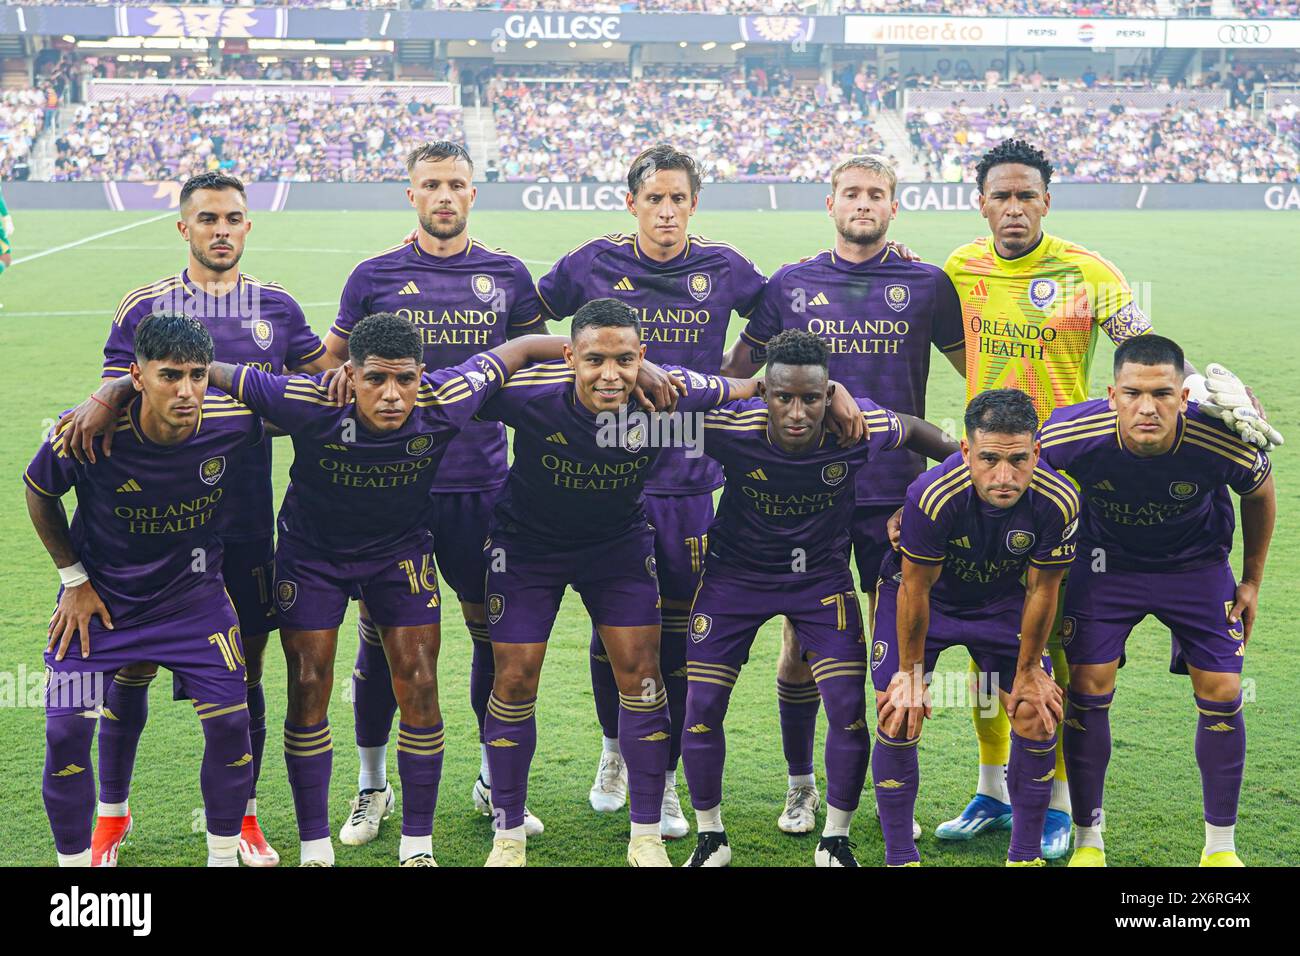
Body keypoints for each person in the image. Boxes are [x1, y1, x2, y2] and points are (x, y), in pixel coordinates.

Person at [936, 137, 1275, 858]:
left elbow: (1140, 345)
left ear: (1047, 201)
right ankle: (991, 788)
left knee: (1051, 645)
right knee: (992, 643)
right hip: (996, 472)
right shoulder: (961, 269)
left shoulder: (1089, 273)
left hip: (1067, 478)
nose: (1016, 207)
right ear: (982, 202)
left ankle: (1059, 806)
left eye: (1029, 195)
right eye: (1003, 195)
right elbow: (957, 349)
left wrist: (1207, 392)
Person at [472, 299, 863, 867]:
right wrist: (533, 348)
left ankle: (646, 834)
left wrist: (840, 389)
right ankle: (507, 836)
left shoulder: (671, 396)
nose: (610, 374)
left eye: (625, 359)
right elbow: (461, 384)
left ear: (644, 359)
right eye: (594, 360)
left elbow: (764, 387)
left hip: (618, 548)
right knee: (514, 677)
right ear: (569, 359)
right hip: (529, 550)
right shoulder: (529, 397)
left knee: (644, 676)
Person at [203, 313, 576, 866]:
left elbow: (519, 349)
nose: (392, 395)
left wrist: (605, 353)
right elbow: (203, 369)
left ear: (422, 376)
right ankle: (315, 846)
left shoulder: (446, 397)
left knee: (421, 682)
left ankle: (417, 846)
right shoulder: (307, 398)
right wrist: (114, 393)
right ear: (349, 376)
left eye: (404, 379)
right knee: (307, 684)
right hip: (314, 557)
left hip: (399, 554)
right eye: (375, 379)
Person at [57, 170, 336, 867]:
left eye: (233, 218)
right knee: (129, 671)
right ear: (183, 227)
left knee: (245, 674)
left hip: (240, 522)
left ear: (248, 227)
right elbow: (117, 390)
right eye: (207, 218)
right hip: (151, 528)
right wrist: (107, 390)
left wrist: (337, 373)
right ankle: (111, 816)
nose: (221, 229)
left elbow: (311, 385)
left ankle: (239, 818)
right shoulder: (144, 304)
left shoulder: (278, 306)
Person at [725, 154, 964, 834]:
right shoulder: (791, 282)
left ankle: (894, 794)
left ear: (895, 207)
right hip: (803, 496)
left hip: (894, 497)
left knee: (895, 646)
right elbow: (740, 378)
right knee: (803, 646)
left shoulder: (927, 283)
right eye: (852, 193)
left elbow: (982, 369)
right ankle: (802, 788)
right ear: (829, 203)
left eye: (877, 194)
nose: (864, 203)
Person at [534, 144, 765, 839]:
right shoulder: (590, 262)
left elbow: (777, 314)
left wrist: (720, 378)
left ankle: (661, 779)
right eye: (653, 199)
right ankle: (615, 755)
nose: (666, 211)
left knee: (678, 633)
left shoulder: (723, 266)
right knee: (615, 628)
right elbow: (525, 320)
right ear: (631, 202)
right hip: (607, 467)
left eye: (678, 199)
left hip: (688, 476)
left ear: (694, 204)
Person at [321, 141, 549, 845]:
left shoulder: (507, 274)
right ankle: (370, 786)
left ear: (473, 195)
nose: (444, 196)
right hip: (391, 491)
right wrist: (334, 378)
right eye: (431, 185)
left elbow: (538, 368)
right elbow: (335, 362)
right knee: (379, 638)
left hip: (481, 488)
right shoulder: (374, 275)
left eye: (456, 184)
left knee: (490, 633)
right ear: (411, 194)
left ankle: (489, 780)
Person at [680, 329, 959, 867]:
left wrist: (932, 499)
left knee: (848, 709)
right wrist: (742, 387)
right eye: (783, 396)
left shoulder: (857, 426)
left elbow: (927, 435)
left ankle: (835, 837)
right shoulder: (731, 425)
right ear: (766, 393)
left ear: (829, 394)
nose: (797, 411)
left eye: (812, 397)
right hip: (735, 578)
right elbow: (665, 400)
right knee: (703, 706)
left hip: (820, 583)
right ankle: (710, 835)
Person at [26, 313, 262, 867]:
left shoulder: (235, 422)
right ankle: (76, 868)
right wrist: (74, 580)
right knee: (64, 733)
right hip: (99, 604)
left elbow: (301, 404)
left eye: (198, 375)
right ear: (138, 375)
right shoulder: (86, 432)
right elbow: (39, 493)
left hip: (193, 600)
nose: (186, 391)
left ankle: (223, 855)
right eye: (170, 375)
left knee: (231, 723)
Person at [1038, 335, 1275, 867]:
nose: (1148, 407)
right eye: (1133, 393)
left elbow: (1260, 491)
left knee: (1223, 689)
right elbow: (1022, 480)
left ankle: (1220, 849)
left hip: (1195, 569)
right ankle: (1088, 842)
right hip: (1104, 567)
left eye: (1163, 393)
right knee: (1089, 686)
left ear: (1185, 396)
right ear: (1111, 395)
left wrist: (1252, 581)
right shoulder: (1069, 433)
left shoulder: (1222, 439)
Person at [874, 389, 1079, 867]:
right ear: (966, 450)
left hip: (1001, 603)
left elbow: (1042, 590)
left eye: (1018, 459)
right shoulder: (931, 493)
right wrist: (909, 672)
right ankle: (900, 857)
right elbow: (916, 588)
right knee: (897, 711)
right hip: (928, 599)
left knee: (1034, 708)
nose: (1004, 476)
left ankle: (1022, 856)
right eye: (988, 459)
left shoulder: (1059, 499)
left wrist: (1029, 669)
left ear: (1037, 451)